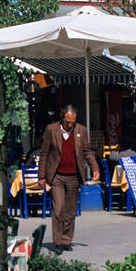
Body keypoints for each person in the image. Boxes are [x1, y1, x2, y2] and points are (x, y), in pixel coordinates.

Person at [37, 104, 100, 253]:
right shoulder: (51, 129)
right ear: (62, 118)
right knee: (58, 209)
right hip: (57, 176)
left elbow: (87, 151)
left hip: (74, 176)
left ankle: (66, 240)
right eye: (67, 122)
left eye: (73, 122)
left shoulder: (81, 130)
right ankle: (57, 242)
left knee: (70, 211)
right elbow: (44, 153)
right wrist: (42, 176)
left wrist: (95, 168)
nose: (70, 125)